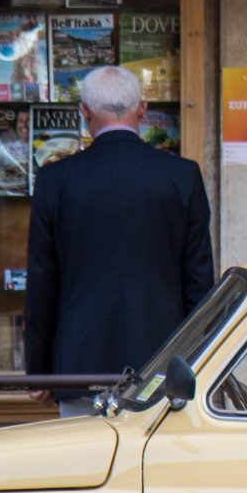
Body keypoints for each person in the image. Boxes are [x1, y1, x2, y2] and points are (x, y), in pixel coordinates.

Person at [25, 65, 213, 415]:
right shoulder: (182, 176)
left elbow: (42, 283)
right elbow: (199, 281)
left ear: (84, 113)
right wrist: (197, 363)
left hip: (80, 366)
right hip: (161, 368)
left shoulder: (55, 180)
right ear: (142, 109)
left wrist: (39, 371)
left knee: (86, 467)